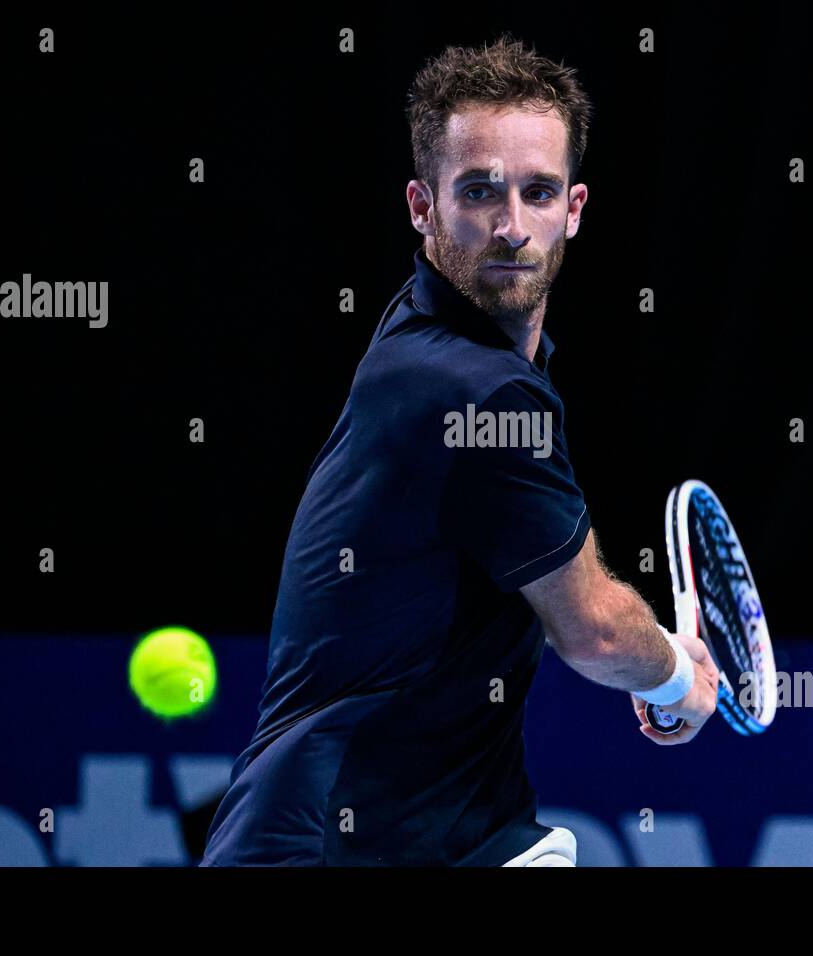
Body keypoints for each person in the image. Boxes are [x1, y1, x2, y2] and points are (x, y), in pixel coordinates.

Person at [200, 34, 719, 868]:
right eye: (480, 191)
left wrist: (652, 655)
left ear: (575, 208)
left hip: (455, 835)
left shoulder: (445, 341)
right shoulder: (471, 388)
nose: (513, 226)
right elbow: (590, 627)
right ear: (422, 205)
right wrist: (672, 678)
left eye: (539, 192)